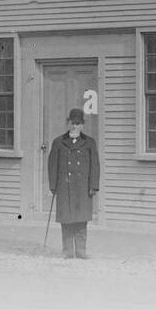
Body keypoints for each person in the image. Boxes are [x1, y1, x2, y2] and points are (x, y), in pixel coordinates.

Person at [47, 108, 99, 259]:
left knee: (81, 220)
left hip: (83, 188)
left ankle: (81, 251)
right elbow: (52, 166)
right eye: (72, 123)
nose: (75, 126)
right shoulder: (58, 142)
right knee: (66, 220)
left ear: (82, 125)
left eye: (78, 123)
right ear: (68, 123)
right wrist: (53, 186)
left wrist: (93, 185)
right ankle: (68, 251)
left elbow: (95, 165)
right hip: (65, 186)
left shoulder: (89, 142)